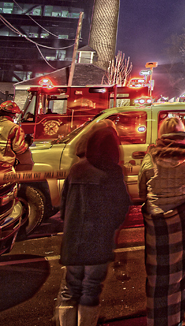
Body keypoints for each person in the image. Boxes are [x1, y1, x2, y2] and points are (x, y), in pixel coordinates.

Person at [54, 120, 131, 326]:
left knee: (70, 288)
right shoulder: (112, 172)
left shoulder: (76, 168)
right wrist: (111, 228)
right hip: (98, 239)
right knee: (91, 288)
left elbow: (64, 204)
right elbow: (121, 207)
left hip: (73, 239)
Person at [139, 117, 185, 326]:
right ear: (184, 132)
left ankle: (157, 319)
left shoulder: (150, 155)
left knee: (158, 274)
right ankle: (177, 319)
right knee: (182, 271)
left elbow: (141, 189)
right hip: (184, 223)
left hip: (156, 223)